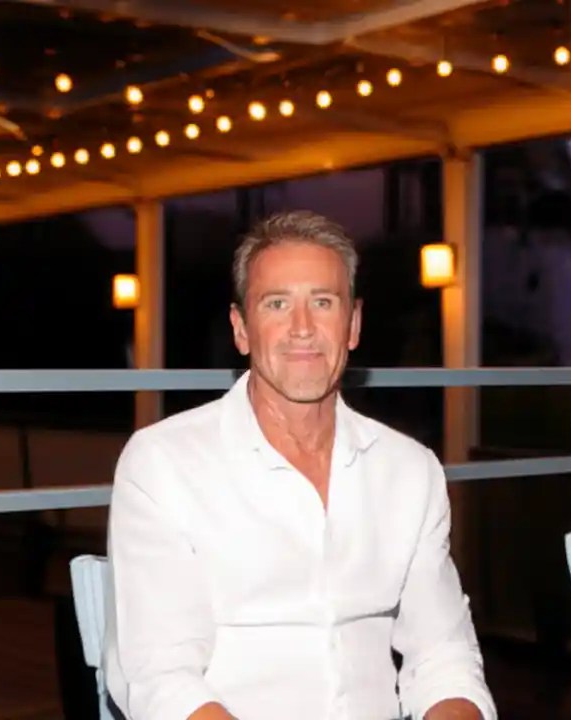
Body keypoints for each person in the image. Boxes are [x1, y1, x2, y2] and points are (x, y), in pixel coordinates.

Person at [102, 210, 496, 720]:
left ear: (352, 325)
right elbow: (161, 678)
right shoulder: (163, 464)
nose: (303, 328)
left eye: (323, 302)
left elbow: (443, 657)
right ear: (241, 329)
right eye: (277, 304)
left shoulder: (410, 471)